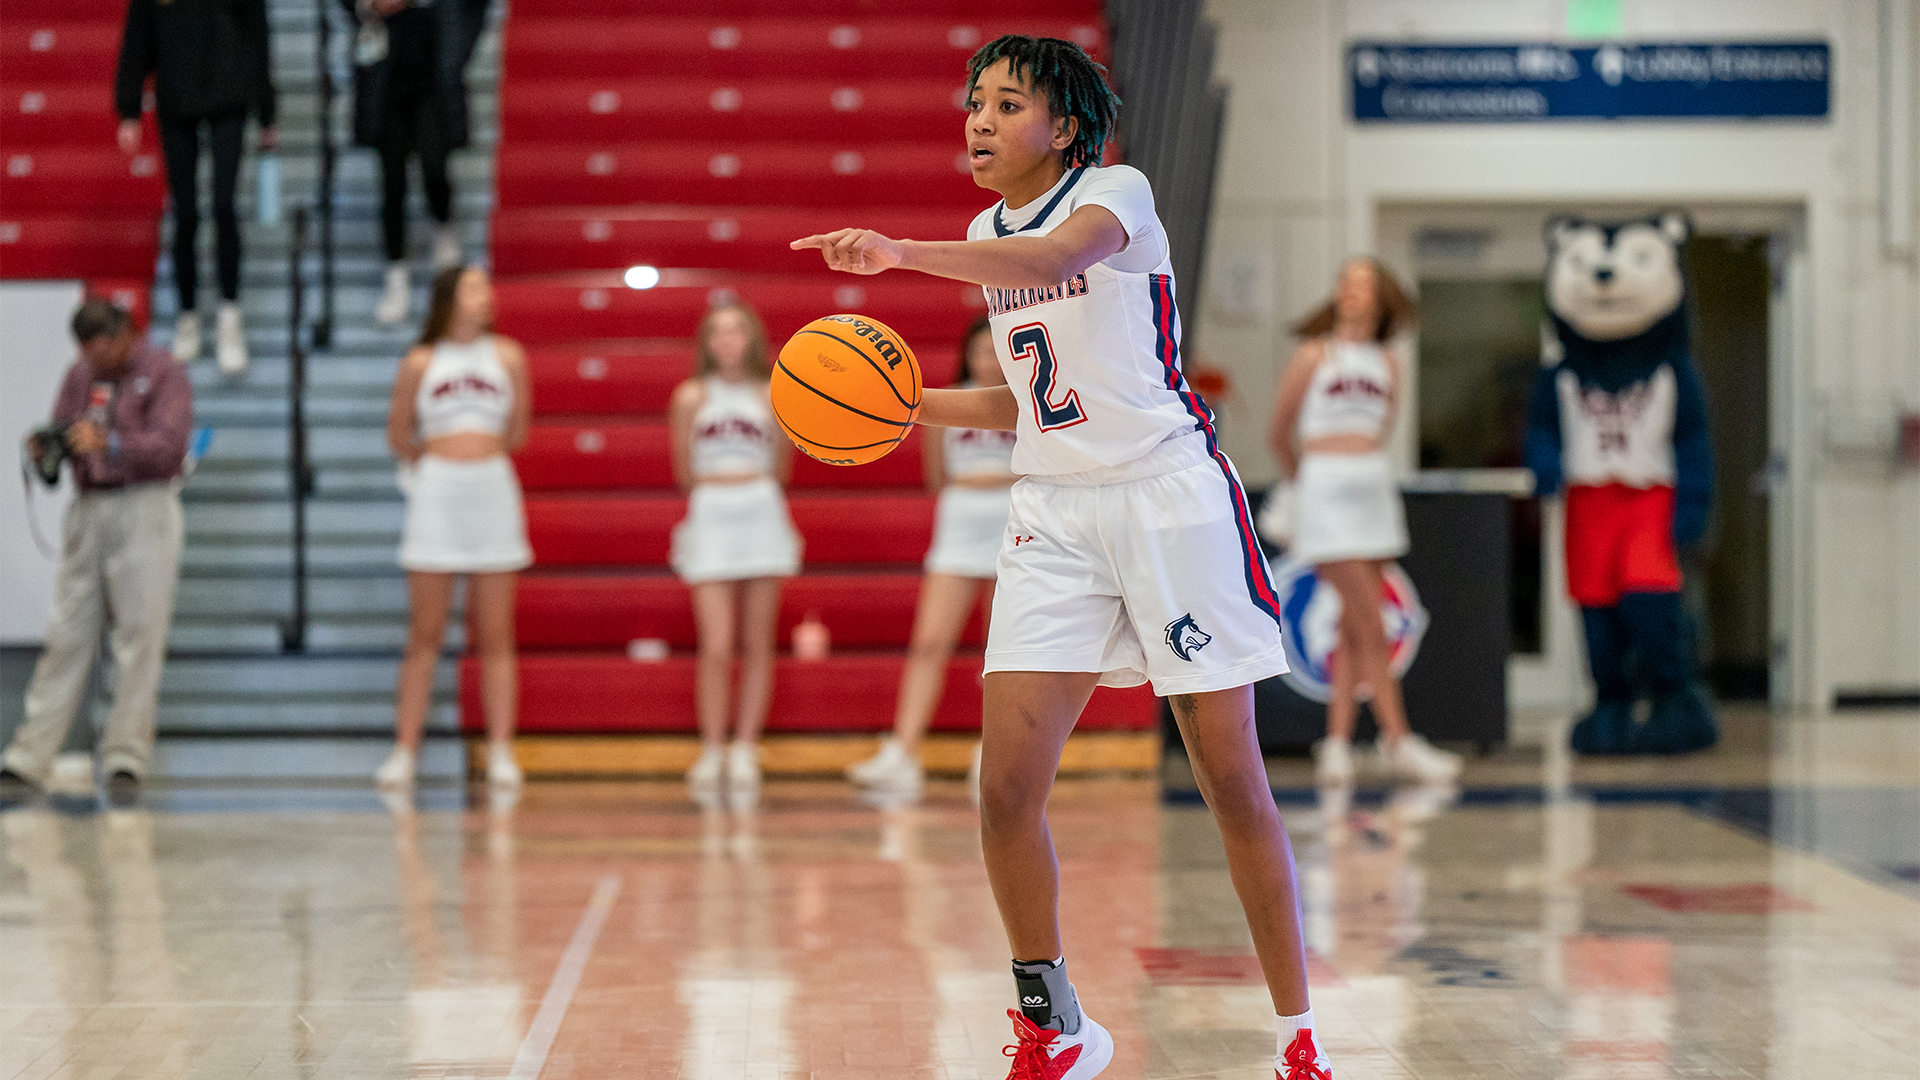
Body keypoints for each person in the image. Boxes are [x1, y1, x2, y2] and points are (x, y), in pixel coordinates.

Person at [794, 35, 1334, 1080]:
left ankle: (1297, 1039)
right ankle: (1056, 1027)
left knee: (1230, 778)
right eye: (975, 103)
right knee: (1003, 789)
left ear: (1066, 127)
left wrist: (896, 255)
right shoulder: (983, 230)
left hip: (1169, 499)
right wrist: (898, 405)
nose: (980, 122)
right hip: (1055, 510)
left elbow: (1051, 264)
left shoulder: (1116, 195)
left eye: (1007, 104)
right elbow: (1026, 397)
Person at [1268, 259, 1462, 789]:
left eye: (1362, 283)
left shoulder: (1388, 361)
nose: (1350, 290)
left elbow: (1383, 428)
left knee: (1356, 628)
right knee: (1372, 622)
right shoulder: (1314, 354)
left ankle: (1335, 746)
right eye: (1344, 282)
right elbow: (1279, 432)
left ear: (1381, 298)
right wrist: (1304, 486)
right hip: (1325, 491)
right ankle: (1398, 740)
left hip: (1372, 489)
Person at [1, 300, 191, 802]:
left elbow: (172, 445)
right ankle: (29, 758)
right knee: (66, 633)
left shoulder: (164, 372)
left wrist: (110, 443)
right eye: (86, 352)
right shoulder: (78, 375)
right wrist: (50, 448)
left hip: (145, 505)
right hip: (89, 508)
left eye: (101, 349)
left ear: (126, 334)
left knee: (139, 636)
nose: (93, 361)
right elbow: (64, 428)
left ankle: (126, 757)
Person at [847, 316, 1018, 791]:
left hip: (1014, 529)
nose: (986, 359)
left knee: (1001, 651)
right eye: (979, 351)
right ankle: (903, 752)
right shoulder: (946, 404)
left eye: (994, 350)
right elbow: (936, 480)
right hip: (959, 531)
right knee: (929, 641)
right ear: (967, 355)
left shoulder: (1026, 399)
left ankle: (995, 752)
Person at [378, 266, 531, 788]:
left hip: (492, 489)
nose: (485, 295)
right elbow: (398, 434)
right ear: (447, 298)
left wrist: (477, 456)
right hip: (437, 494)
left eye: (487, 286)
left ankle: (502, 750)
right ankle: (404, 751)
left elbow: (518, 430)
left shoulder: (508, 356)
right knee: (425, 635)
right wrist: (441, 460)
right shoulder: (421, 362)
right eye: (472, 287)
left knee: (496, 636)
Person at [671, 303, 800, 792]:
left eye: (736, 331)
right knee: (718, 644)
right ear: (705, 342)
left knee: (758, 641)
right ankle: (711, 747)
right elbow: (683, 471)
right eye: (717, 332)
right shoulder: (689, 397)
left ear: (753, 338)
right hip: (710, 513)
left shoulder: (772, 394)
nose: (727, 341)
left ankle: (745, 745)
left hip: (761, 511)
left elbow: (784, 467)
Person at [115, 0, 278, 375]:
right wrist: (129, 109)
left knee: (224, 206)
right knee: (185, 214)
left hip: (229, 99)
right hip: (176, 101)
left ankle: (229, 315)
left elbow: (257, 37)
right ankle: (187, 316)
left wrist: (267, 109)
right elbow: (138, 40)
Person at [344, 0, 494, 326]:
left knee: (435, 169)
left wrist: (459, 48)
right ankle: (396, 275)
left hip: (432, 70)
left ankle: (444, 232)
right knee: (392, 183)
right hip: (384, 74)